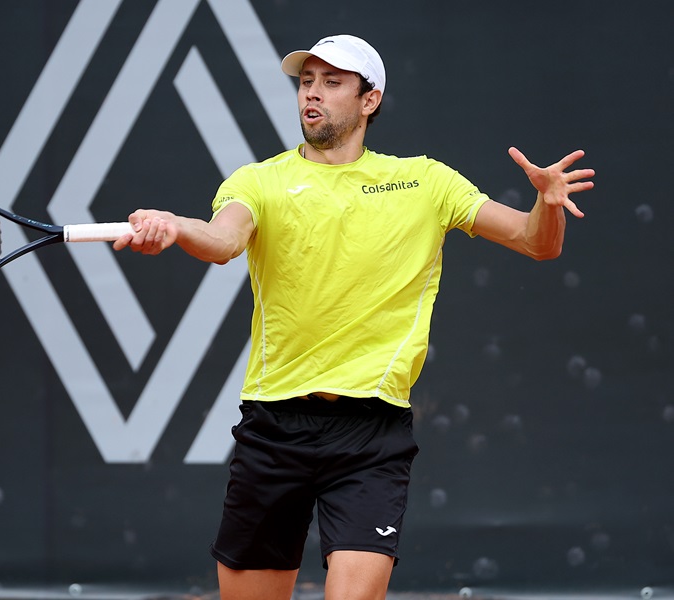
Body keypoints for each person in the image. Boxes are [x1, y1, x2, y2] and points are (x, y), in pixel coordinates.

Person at [113, 34, 593, 600]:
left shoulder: (426, 182)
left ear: (370, 100)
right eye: (306, 82)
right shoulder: (258, 181)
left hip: (371, 434)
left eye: (332, 83)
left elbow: (537, 243)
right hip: (274, 427)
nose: (311, 95)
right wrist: (173, 225)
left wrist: (549, 205)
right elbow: (221, 241)